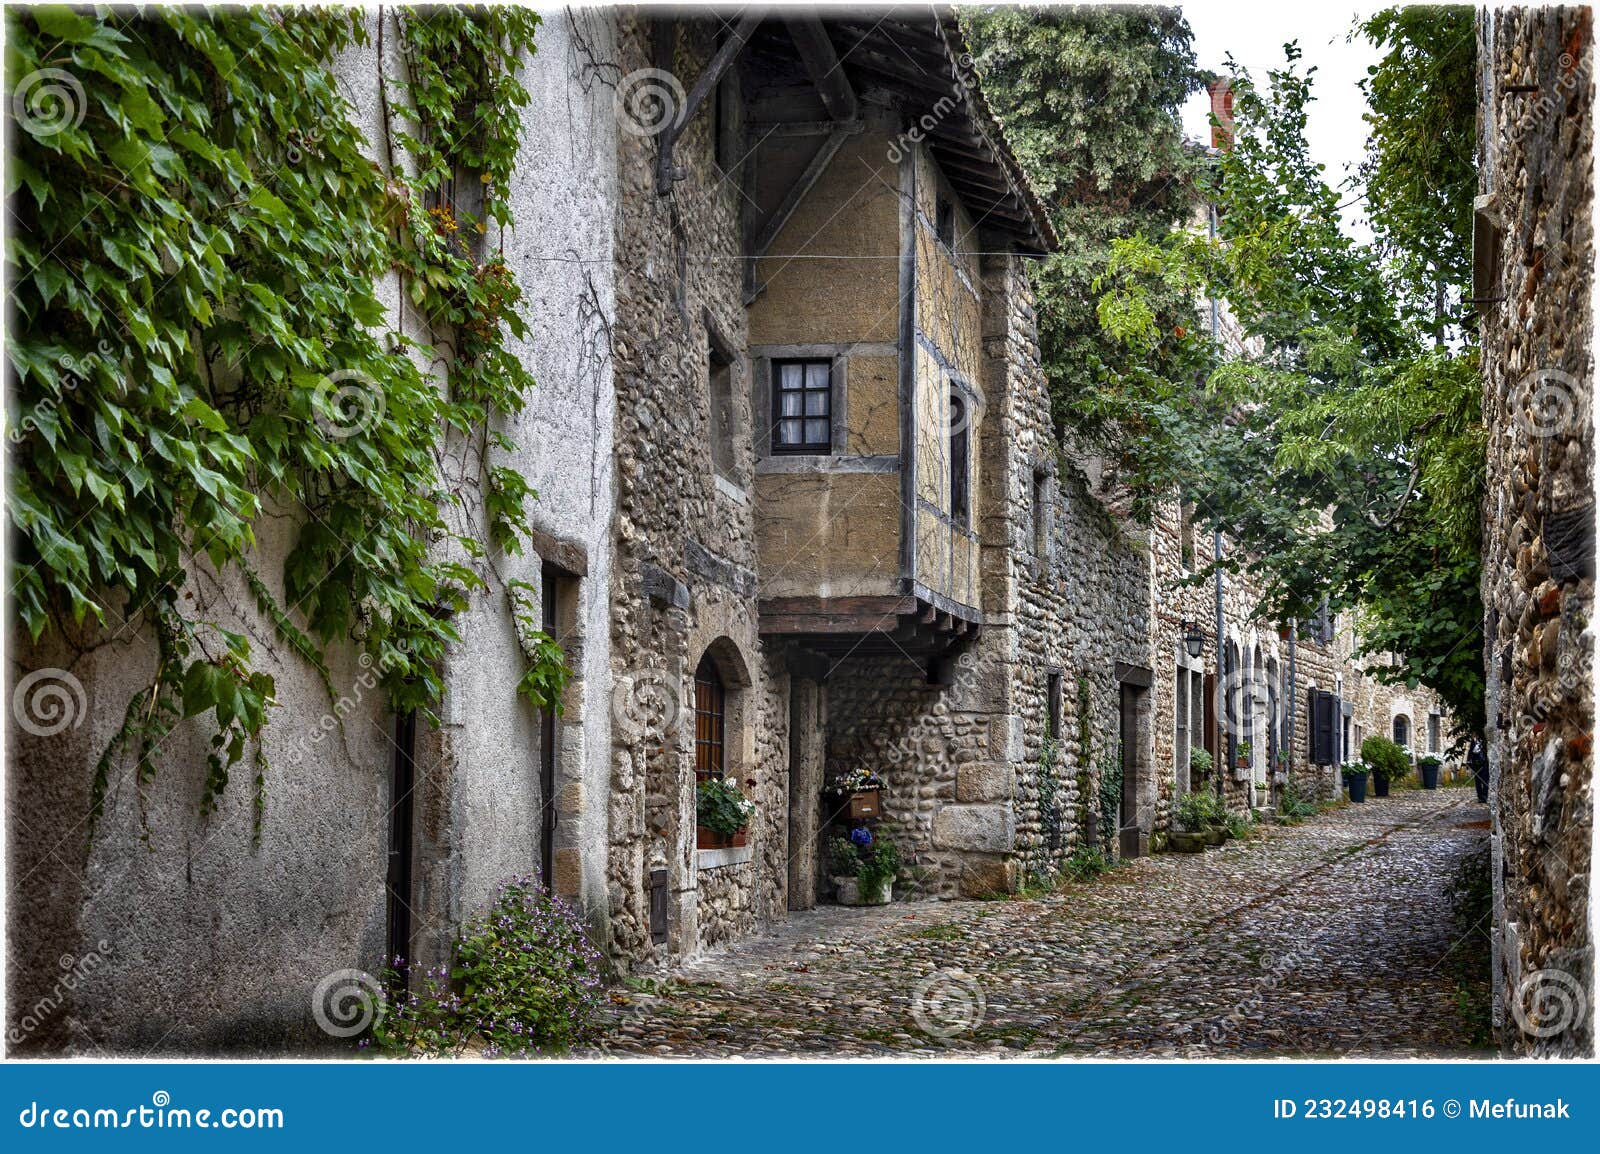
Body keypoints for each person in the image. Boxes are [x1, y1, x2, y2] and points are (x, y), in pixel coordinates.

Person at [1468, 736, 1489, 804]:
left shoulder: (1485, 740)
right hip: (1476, 764)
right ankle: (1480, 797)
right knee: (1477, 781)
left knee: (1485, 780)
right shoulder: (1473, 740)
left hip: (1484, 763)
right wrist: (1468, 761)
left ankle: (1485, 796)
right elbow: (1470, 751)